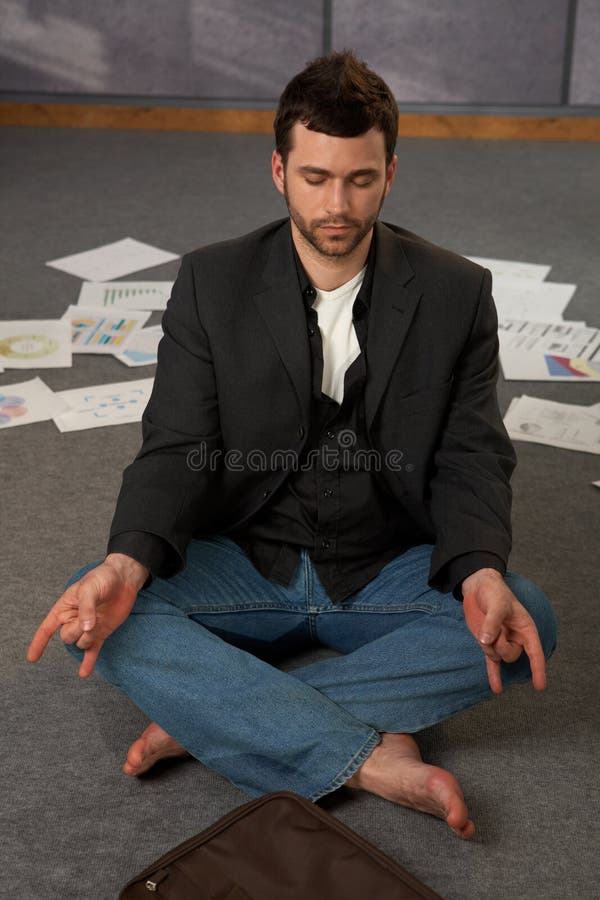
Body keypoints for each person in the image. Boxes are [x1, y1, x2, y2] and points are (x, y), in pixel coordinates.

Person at [27, 50, 556, 840]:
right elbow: (176, 446)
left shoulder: (457, 291)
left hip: (385, 565)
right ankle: (368, 755)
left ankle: (221, 720)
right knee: (105, 605)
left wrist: (479, 570)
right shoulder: (211, 281)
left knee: (527, 621)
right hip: (249, 560)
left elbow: (471, 455)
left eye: (360, 179)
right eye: (314, 178)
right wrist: (124, 562)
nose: (336, 204)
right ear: (278, 171)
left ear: (391, 173)